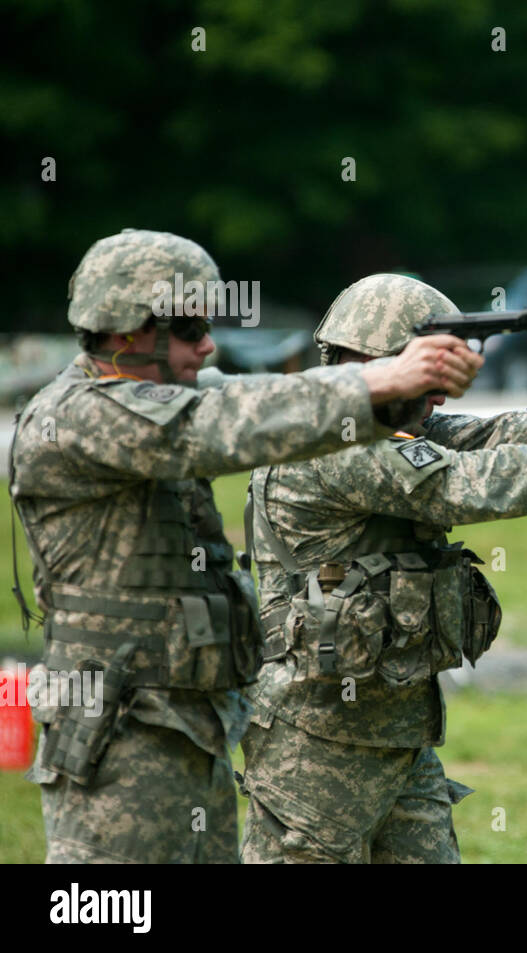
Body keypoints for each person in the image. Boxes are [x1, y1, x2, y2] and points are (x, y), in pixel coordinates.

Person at [10, 228, 478, 863]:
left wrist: (393, 391)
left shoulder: (156, 398)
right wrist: (382, 378)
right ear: (127, 335)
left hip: (184, 721)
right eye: (189, 328)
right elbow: (223, 424)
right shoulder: (81, 415)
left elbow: (241, 397)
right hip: (116, 736)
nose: (207, 345)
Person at [239, 272, 527, 863]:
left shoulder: (389, 425)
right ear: (379, 362)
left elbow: (488, 435)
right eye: (430, 374)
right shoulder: (329, 442)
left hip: (399, 735)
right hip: (313, 745)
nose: (441, 398)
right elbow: (461, 487)